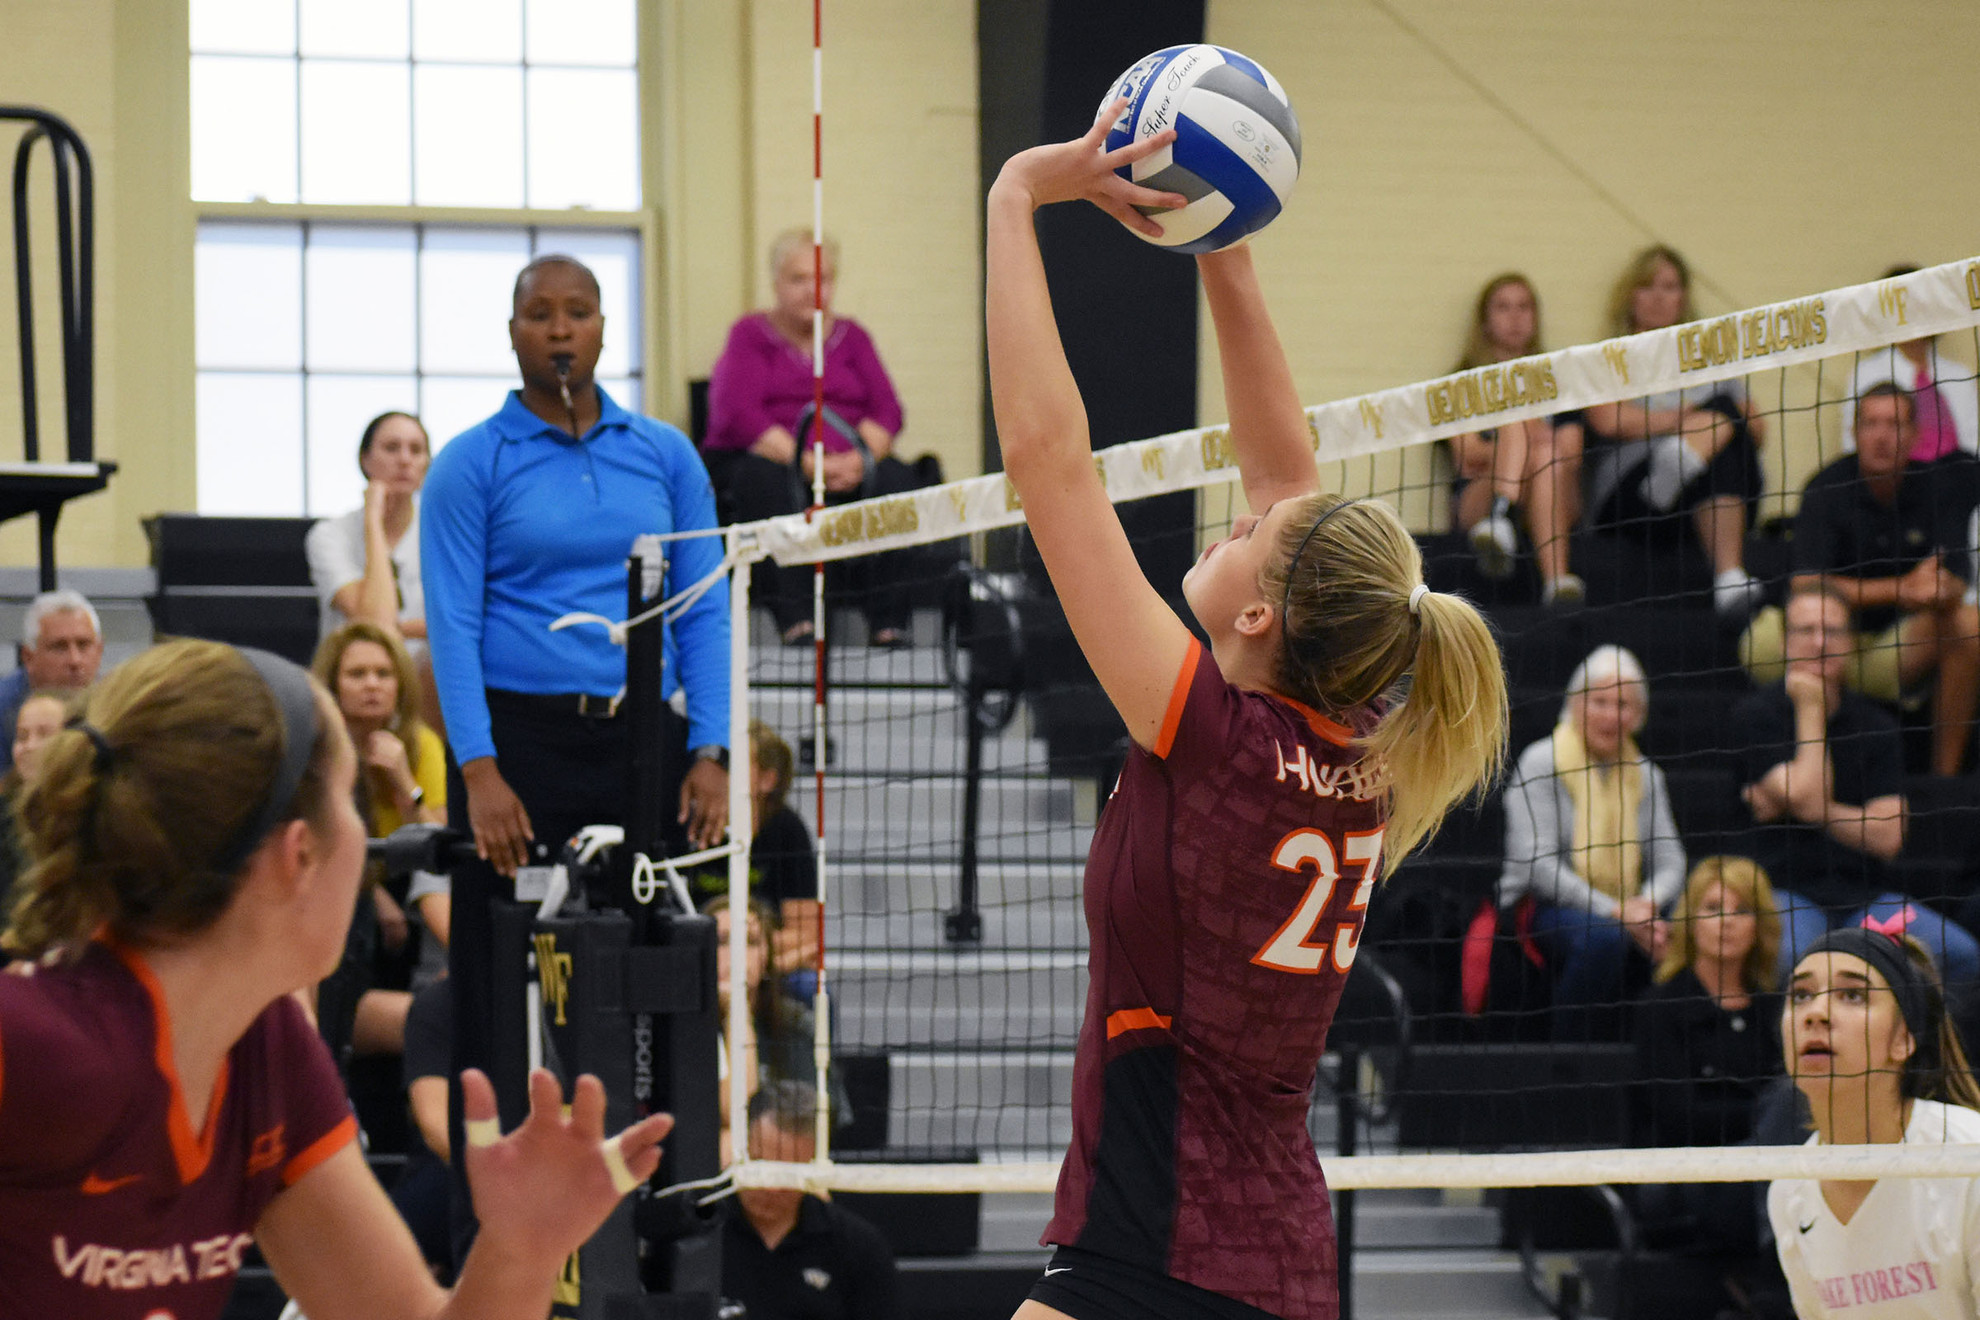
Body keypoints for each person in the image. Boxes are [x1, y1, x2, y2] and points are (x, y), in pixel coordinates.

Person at [988, 109, 1508, 1320]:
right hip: (1275, 1260)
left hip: (1154, 1243)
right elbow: (1289, 488)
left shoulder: (1211, 734)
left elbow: (1048, 457)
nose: (1235, 515)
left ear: (1268, 620)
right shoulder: (1360, 748)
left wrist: (1020, 193)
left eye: (1244, 534)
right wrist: (1221, 230)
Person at [0, 638, 673, 1319]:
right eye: (351, 801)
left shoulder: (267, 1049)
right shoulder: (30, 1042)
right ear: (300, 855)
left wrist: (524, 1249)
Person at [1734, 585, 1980, 988]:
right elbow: (1812, 796)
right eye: (1806, 630)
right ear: (1784, 641)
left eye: (1832, 631)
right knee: (1796, 959)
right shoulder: (1756, 716)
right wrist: (1811, 707)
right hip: (1783, 892)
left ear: (1849, 642)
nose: (1819, 642)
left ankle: (1918, 1051)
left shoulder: (1876, 725)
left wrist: (1812, 809)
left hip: (1863, 897)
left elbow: (1888, 837)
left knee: (1960, 956)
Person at [1741, 382, 1980, 776]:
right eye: (1871, 423)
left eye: (1894, 424)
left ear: (1916, 435)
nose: (1882, 436)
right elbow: (1805, 584)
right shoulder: (1826, 486)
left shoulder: (1938, 487)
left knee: (1970, 624)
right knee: (1758, 643)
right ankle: (1795, 761)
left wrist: (1940, 591)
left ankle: (1945, 781)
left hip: (1894, 649)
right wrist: (1903, 589)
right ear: (1854, 432)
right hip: (1829, 642)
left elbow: (1954, 581)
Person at [703, 228, 926, 648]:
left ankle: (889, 622)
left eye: (823, 279)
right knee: (762, 481)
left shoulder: (853, 337)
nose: (813, 290)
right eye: (799, 279)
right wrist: (809, 464)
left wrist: (861, 460)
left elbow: (888, 410)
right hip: (777, 459)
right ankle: (797, 619)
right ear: (776, 283)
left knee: (899, 482)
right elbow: (738, 413)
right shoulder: (749, 335)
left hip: (850, 460)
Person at [1768, 928, 1980, 1318]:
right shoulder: (1789, 1188)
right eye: (1800, 995)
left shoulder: (1968, 1157)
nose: (1815, 1013)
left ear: (1903, 1040)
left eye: (1852, 995)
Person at [1499, 645, 1686, 1034]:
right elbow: (1537, 866)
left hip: (1630, 905)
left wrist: (1646, 904)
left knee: (1692, 932)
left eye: (1622, 704)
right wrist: (1616, 911)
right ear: (1575, 705)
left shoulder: (1646, 774)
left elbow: (1672, 862)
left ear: (1638, 715)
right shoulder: (1541, 761)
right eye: (1599, 701)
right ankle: (1569, 1056)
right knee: (1603, 940)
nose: (1610, 715)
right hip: (1542, 905)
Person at [1582, 246, 1767, 619]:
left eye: (1669, 287)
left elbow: (1757, 429)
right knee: (1721, 416)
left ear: (1683, 297)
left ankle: (1728, 575)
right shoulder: (1607, 356)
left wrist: (1709, 428)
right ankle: (1729, 573)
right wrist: (1691, 421)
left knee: (1726, 433)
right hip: (1630, 497)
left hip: (1693, 495)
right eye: (1647, 286)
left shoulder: (1709, 355)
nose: (1658, 297)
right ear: (1629, 295)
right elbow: (1608, 420)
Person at [312, 622, 450, 1058]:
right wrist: (376, 896)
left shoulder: (420, 744)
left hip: (414, 892)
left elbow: (440, 847)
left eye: (383, 674)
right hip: (346, 897)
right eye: (357, 674)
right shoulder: (318, 750)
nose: (372, 685)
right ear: (333, 683)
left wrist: (404, 781)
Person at [1446, 273, 1586, 603]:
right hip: (1476, 496)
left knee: (1548, 458)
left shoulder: (1557, 378)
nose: (1515, 317)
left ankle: (1554, 581)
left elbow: (1572, 454)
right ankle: (1499, 516)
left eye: (1524, 307)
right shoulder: (1462, 380)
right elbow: (1467, 453)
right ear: (1485, 320)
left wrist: (1517, 443)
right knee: (1526, 433)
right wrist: (1520, 436)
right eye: (1503, 307)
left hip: (1553, 492)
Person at [722, 1081, 904, 1320]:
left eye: (790, 1173)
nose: (772, 1187)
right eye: (762, 1165)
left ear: (815, 1165)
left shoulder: (859, 1248)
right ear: (739, 1148)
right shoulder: (696, 1230)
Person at [1635, 856, 1783, 1149]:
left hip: (1769, 1159)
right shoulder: (1660, 1007)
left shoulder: (1775, 1007)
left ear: (1759, 926)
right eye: (1713, 908)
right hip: (1689, 1171)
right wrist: (1771, 1113)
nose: (1726, 921)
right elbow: (1679, 1119)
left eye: (1741, 910)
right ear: (1690, 921)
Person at [688, 719, 818, 977]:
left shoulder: (787, 831)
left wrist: (752, 958)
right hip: (694, 963)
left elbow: (808, 939)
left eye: (732, 764)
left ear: (767, 780)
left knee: (808, 983)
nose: (721, 773)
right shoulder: (687, 822)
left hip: (766, 969)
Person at [306, 411, 432, 644]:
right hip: (352, 674)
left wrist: (399, 628)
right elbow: (375, 625)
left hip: (424, 675)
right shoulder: (330, 535)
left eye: (416, 450)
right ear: (365, 459)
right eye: (392, 448)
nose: (405, 459)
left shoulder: (441, 532)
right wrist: (373, 521)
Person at [705, 894, 813, 1162]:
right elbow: (734, 1112)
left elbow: (810, 1123)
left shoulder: (793, 1023)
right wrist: (735, 1009)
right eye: (721, 941)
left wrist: (737, 1009)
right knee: (728, 1146)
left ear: (766, 957)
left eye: (750, 942)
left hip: (777, 1154)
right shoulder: (678, 1027)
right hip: (705, 1156)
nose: (736, 955)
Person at [1842, 266, 1979, 463]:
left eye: (1921, 304)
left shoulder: (1960, 375)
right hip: (1895, 486)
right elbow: (1854, 447)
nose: (1912, 314)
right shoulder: (1866, 374)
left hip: (1954, 485)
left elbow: (1971, 444)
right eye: (1903, 305)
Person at [0, 689, 79, 935]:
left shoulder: (92, 816)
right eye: (22, 737)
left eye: (44, 734)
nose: (30, 746)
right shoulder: (4, 815)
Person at [0, 588, 103, 774]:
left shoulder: (117, 702)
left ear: (100, 650)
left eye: (83, 645)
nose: (75, 660)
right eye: (59, 647)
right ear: (28, 657)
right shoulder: (3, 707)